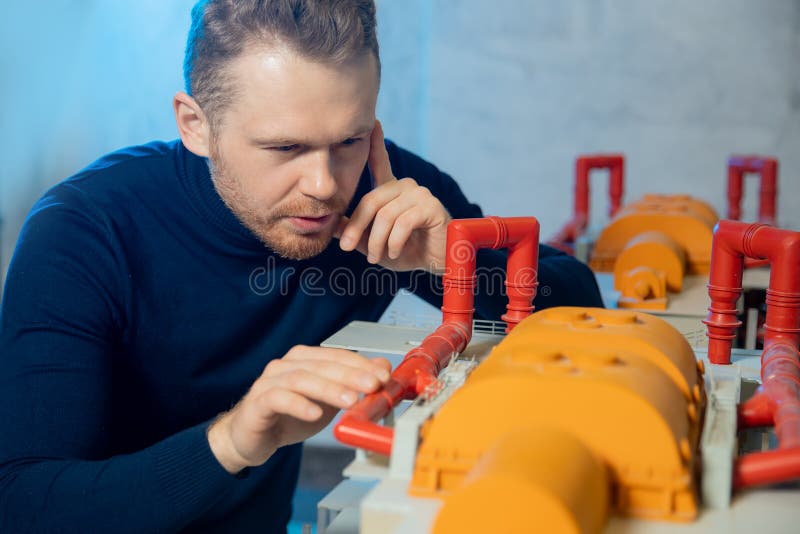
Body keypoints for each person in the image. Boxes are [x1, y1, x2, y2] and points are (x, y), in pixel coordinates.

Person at [0, 1, 603, 532]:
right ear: (196, 125)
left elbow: (582, 311)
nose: (323, 186)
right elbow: (23, 503)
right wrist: (233, 441)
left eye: (348, 140)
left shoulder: (378, 186)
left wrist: (452, 260)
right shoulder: (82, 231)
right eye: (284, 148)